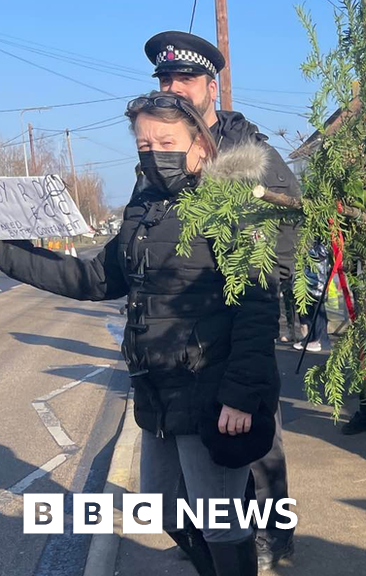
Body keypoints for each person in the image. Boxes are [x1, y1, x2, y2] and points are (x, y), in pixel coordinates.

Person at [0, 93, 278, 576]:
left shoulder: (231, 205)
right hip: (157, 391)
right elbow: (95, 278)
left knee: (221, 523)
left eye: (166, 142)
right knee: (163, 509)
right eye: (144, 145)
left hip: (210, 392)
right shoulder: (143, 209)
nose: (153, 154)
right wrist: (8, 251)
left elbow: (257, 307)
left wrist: (239, 396)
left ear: (199, 145)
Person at [143, 31, 297, 568]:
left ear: (212, 87)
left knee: (259, 451)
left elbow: (276, 258)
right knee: (193, 484)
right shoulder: (162, 156)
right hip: (183, 355)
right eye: (165, 79)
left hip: (238, 337)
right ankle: (217, 545)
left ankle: (273, 536)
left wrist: (251, 318)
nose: (173, 88)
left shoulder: (251, 157)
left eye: (184, 79)